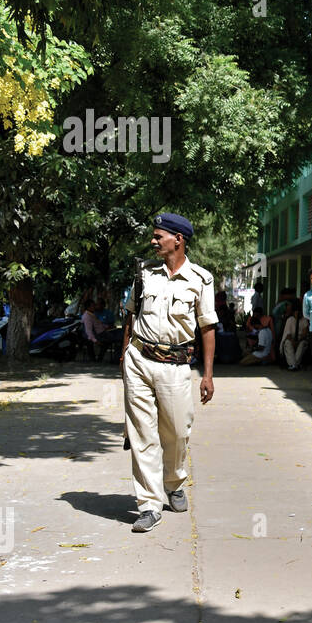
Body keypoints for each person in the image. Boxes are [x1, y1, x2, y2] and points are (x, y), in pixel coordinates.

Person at [121, 212, 216, 534]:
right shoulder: (144, 273)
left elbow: (207, 327)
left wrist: (207, 374)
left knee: (176, 432)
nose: (153, 241)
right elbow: (131, 314)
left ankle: (173, 482)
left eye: (158, 236)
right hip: (139, 360)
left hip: (175, 365)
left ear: (178, 239)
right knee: (141, 435)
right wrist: (124, 354)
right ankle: (148, 504)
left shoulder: (201, 279)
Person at [280, 299, 310, 370]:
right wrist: (293, 342)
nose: (298, 314)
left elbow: (305, 333)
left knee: (302, 344)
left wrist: (298, 342)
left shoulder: (304, 320)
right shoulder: (290, 320)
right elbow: (287, 335)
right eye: (296, 312)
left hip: (300, 340)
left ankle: (294, 365)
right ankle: (294, 364)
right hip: (291, 340)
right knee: (287, 343)